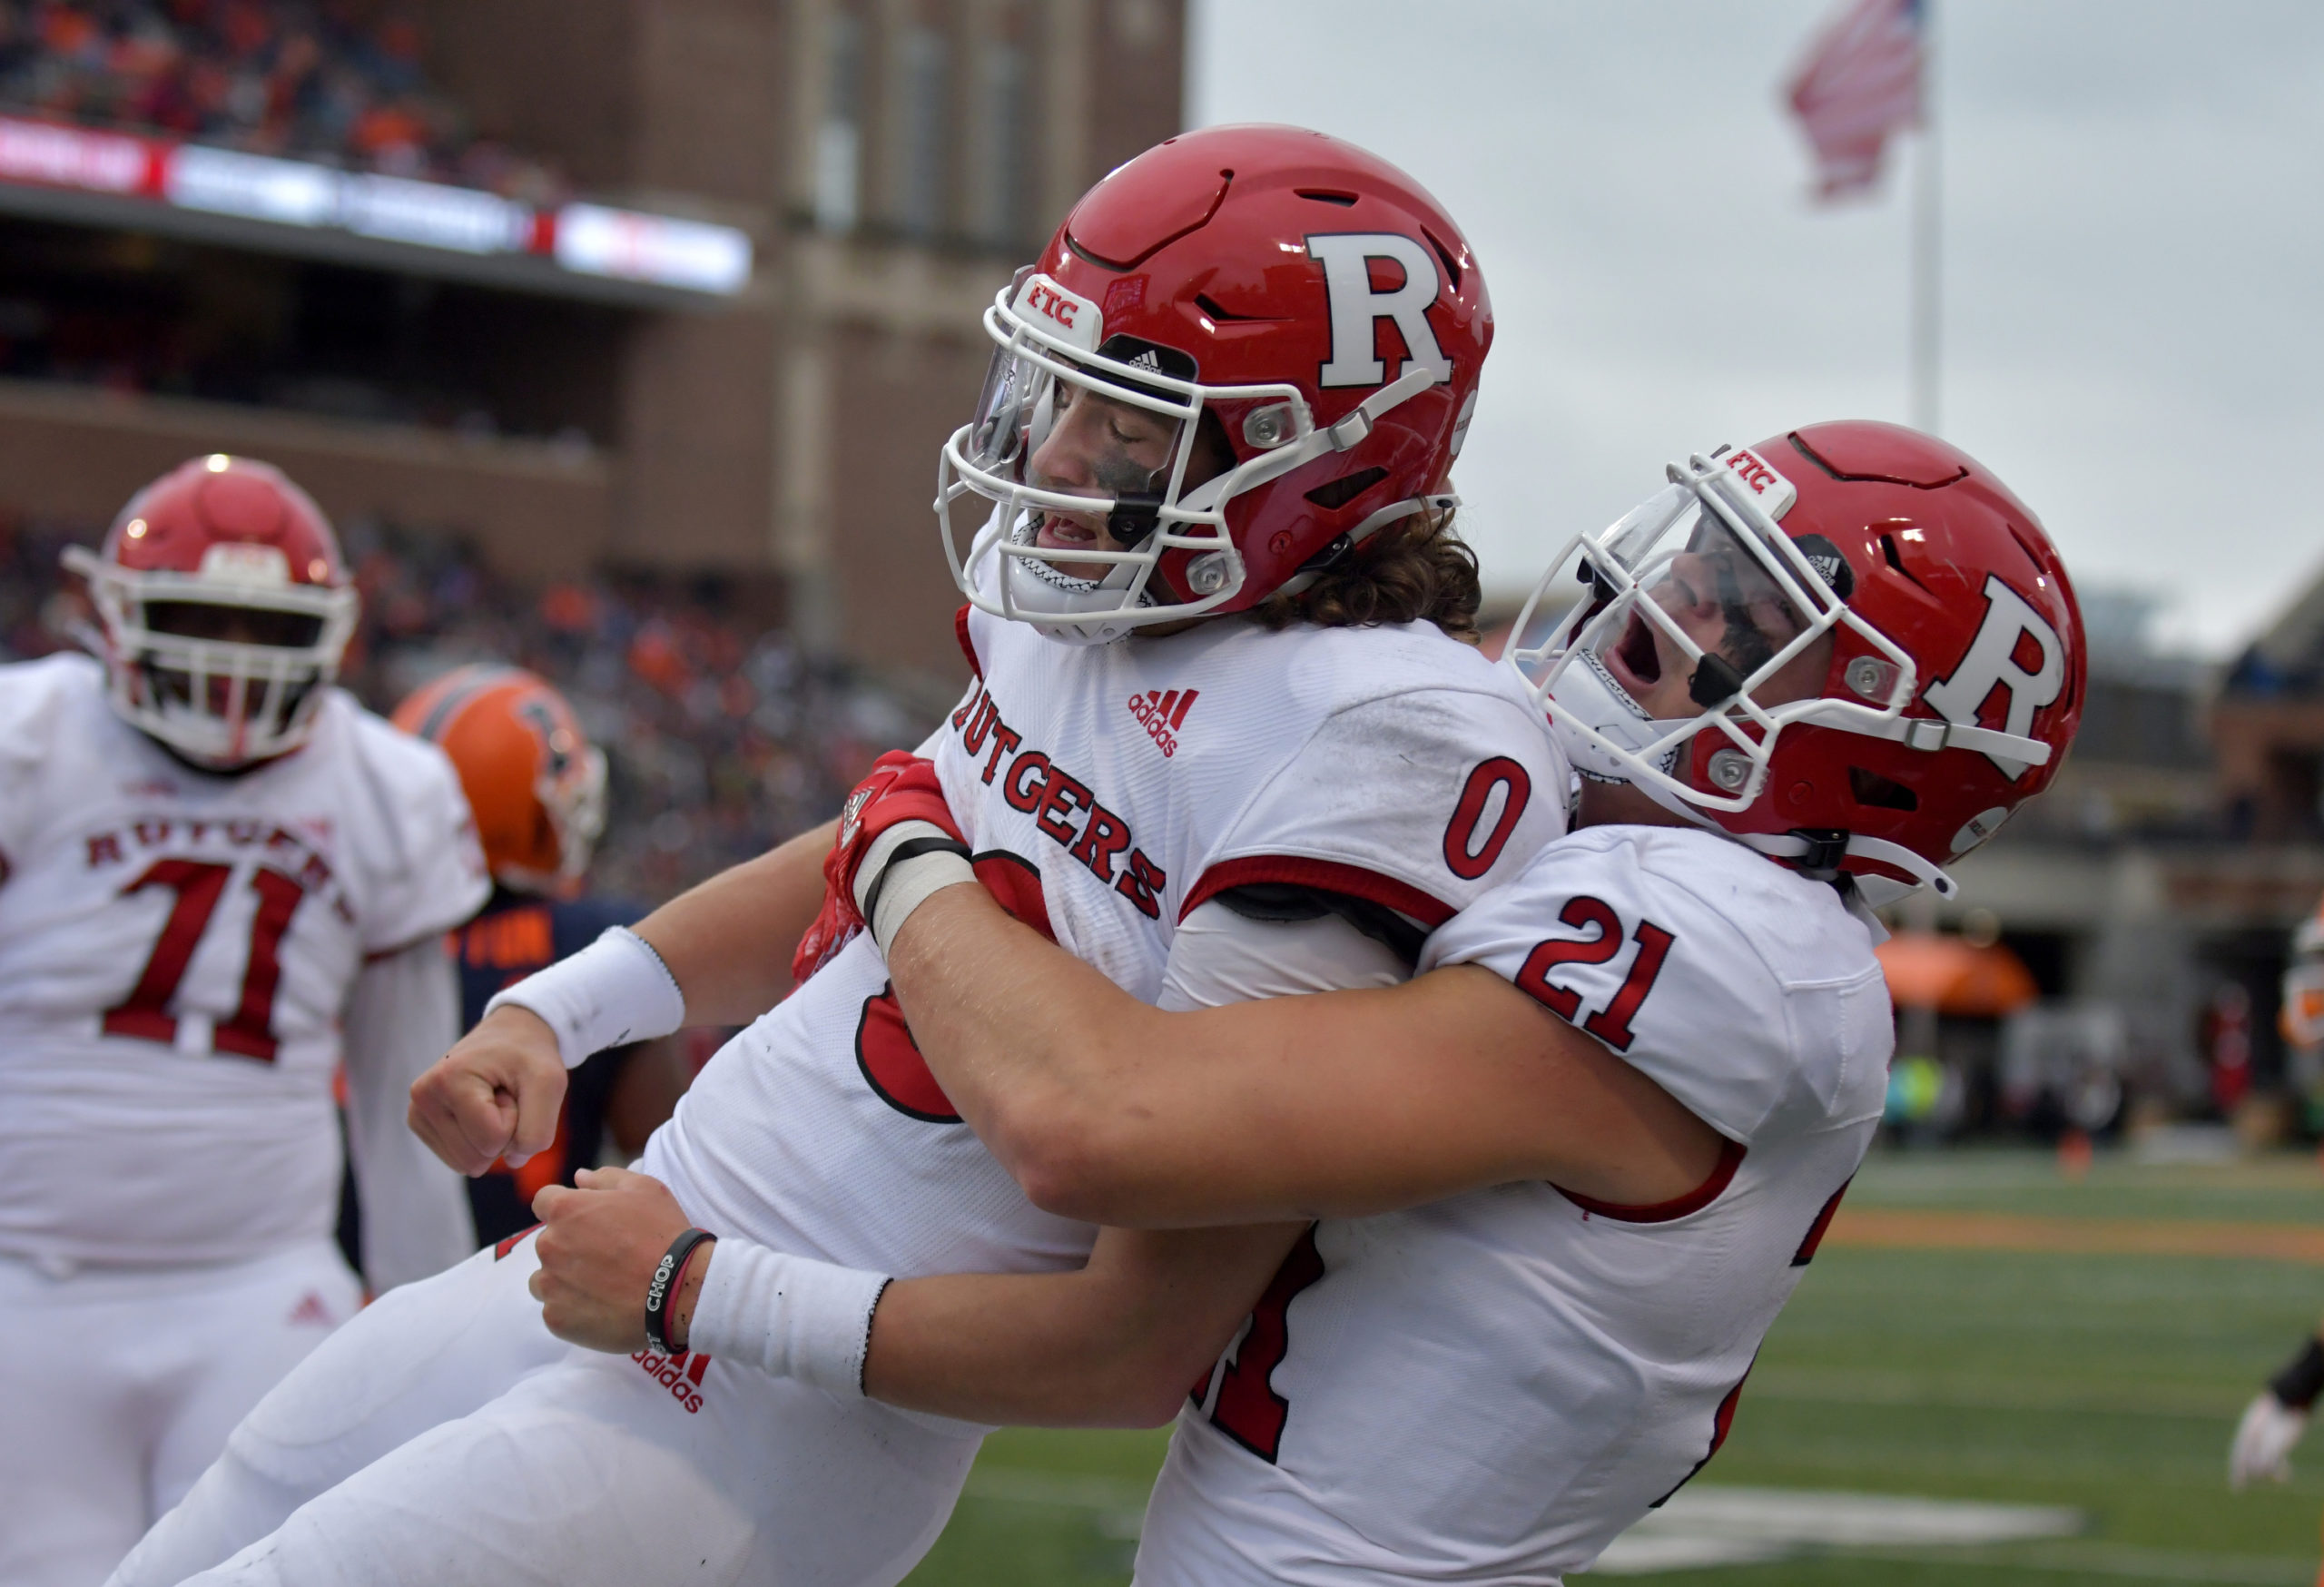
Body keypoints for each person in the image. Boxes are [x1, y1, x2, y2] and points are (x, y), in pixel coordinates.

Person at [113, 123, 1575, 1587]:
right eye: (1060, 394)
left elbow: (1132, 1346)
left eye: (1129, 429)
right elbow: (888, 848)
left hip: (762, 1405)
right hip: (624, 1245)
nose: (1057, 457)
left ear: (1308, 459)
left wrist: (696, 1293)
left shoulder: (1376, 736)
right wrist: (569, 1006)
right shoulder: (1090, 612)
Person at [525, 421, 2091, 1583]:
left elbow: (1102, 1122)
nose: (1653, 596)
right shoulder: (1616, 863)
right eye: (1692, 554)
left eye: (1733, 614)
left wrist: (911, 842)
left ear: (1866, 732)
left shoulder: (1726, 941)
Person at [0, 455, 488, 1587]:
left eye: (262, 626)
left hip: (257, 1289)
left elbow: (410, 1103)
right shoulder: (31, 739)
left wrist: (433, 1338)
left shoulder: (383, 783)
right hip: (26, 1282)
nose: (226, 659)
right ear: (112, 615)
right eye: (196, 616)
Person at [389, 664, 690, 1246]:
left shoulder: (361, 943)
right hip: (532, 1302)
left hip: (349, 1297)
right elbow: (669, 1155)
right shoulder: (600, 941)